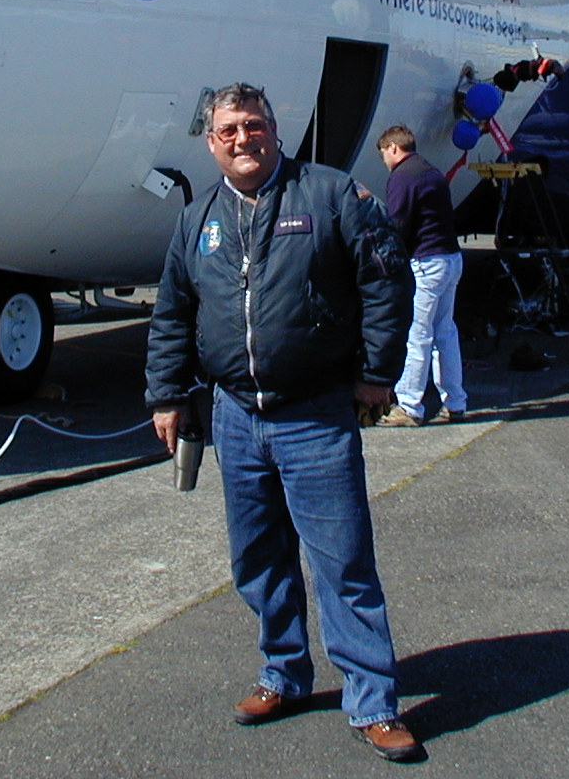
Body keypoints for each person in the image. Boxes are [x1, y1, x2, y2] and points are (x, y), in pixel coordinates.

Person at [146, 83, 424, 763]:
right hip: (236, 418)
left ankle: (373, 703)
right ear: (211, 143)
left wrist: (378, 371)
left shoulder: (332, 197)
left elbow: (388, 282)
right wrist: (166, 394)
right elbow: (173, 311)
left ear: (276, 130)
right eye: (228, 130)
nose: (243, 139)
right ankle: (283, 674)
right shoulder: (200, 217)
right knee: (259, 561)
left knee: (343, 564)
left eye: (254, 126)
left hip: (314, 416)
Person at [374, 125, 466, 428]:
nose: (385, 162)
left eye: (384, 155)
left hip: (425, 261)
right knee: (445, 333)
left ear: (393, 148)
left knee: (417, 334)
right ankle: (454, 402)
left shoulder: (402, 176)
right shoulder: (431, 172)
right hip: (450, 257)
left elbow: (398, 224)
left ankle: (410, 405)